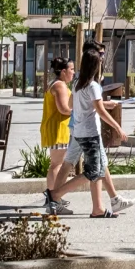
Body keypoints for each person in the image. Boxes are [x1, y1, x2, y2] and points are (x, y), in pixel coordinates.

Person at [51, 50, 135, 218]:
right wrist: (117, 127)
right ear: (96, 66)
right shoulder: (93, 86)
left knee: (98, 168)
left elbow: (73, 105)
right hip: (90, 133)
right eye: (100, 63)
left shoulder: (76, 84)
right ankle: (55, 195)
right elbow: (101, 111)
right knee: (93, 172)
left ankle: (100, 207)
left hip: (79, 131)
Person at [39, 57, 75, 215]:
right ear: (63, 71)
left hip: (55, 128)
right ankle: (54, 200)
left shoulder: (55, 83)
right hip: (58, 128)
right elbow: (64, 109)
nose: (73, 72)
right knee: (57, 165)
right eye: (71, 69)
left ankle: (52, 198)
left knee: (55, 164)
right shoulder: (59, 85)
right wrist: (81, 109)